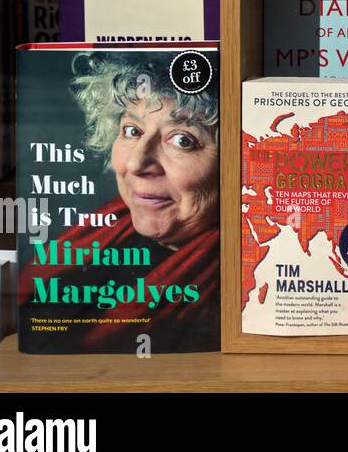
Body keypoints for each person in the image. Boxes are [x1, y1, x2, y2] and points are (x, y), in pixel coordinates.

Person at [20, 51, 220, 352]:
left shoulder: (236, 290)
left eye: (183, 140)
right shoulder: (99, 231)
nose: (136, 163)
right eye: (132, 131)